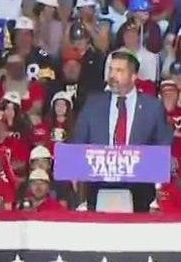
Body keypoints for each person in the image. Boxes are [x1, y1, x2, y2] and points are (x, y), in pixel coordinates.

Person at [72, 50, 173, 212]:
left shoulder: (152, 107)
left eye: (119, 71)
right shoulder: (92, 103)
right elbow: (78, 142)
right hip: (98, 184)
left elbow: (163, 145)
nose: (112, 75)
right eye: (111, 69)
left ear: (133, 76)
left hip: (139, 189)